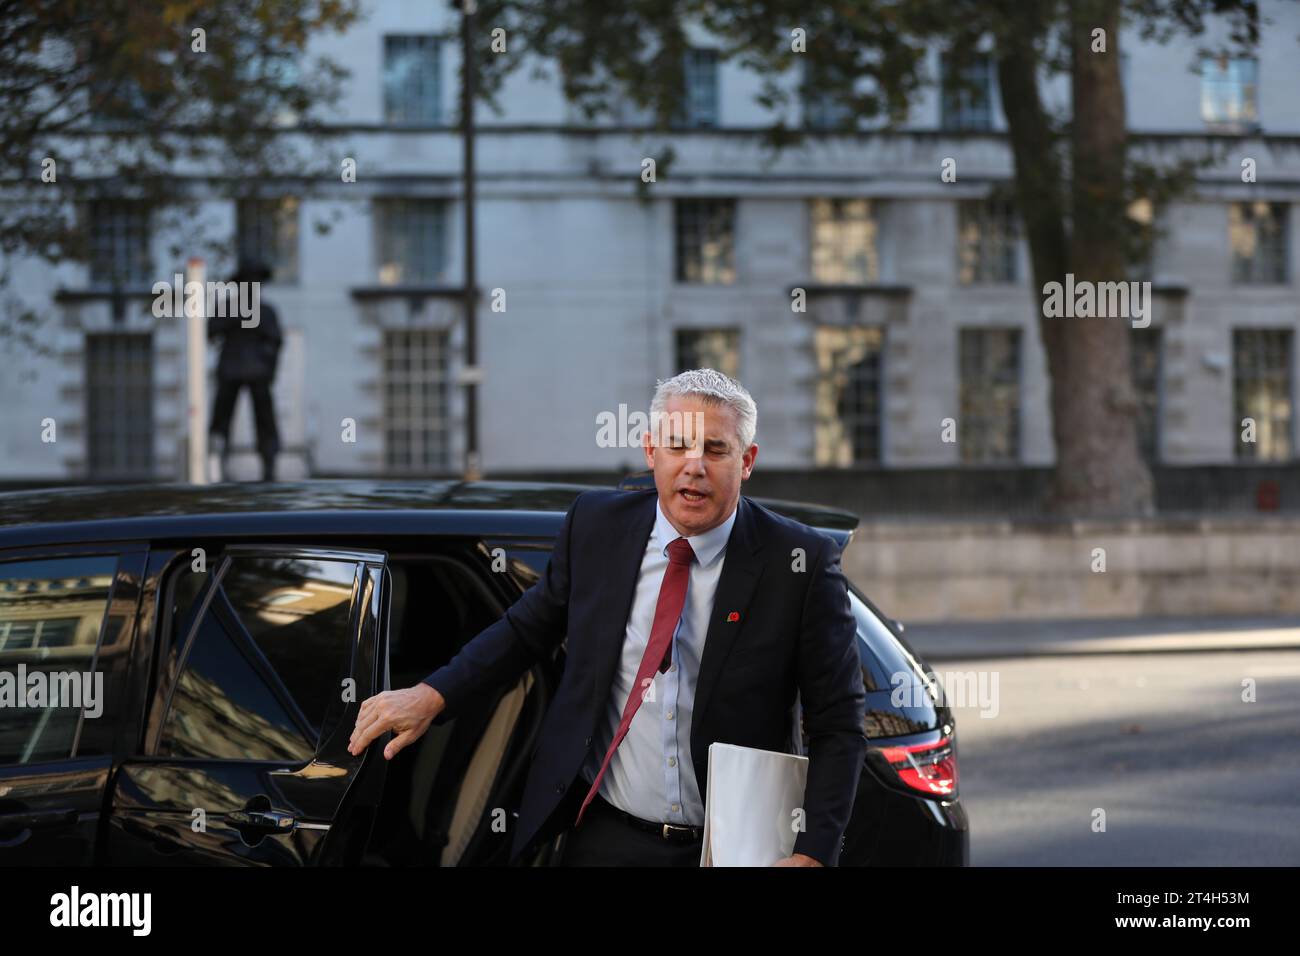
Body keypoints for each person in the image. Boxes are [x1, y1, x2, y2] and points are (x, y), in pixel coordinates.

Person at [348, 369, 866, 866]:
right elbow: (525, 631)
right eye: (678, 446)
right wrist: (428, 696)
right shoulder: (596, 527)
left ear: (747, 460)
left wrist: (813, 852)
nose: (695, 465)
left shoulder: (799, 562)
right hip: (606, 832)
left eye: (716, 449)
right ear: (650, 451)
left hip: (733, 844)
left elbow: (838, 722)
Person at [207, 258, 282, 481]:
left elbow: (276, 342)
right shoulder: (228, 308)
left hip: (254, 372)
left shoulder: (266, 311)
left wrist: (269, 368)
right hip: (234, 371)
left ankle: (268, 467)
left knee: (264, 420)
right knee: (222, 419)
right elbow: (211, 333)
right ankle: (217, 464)